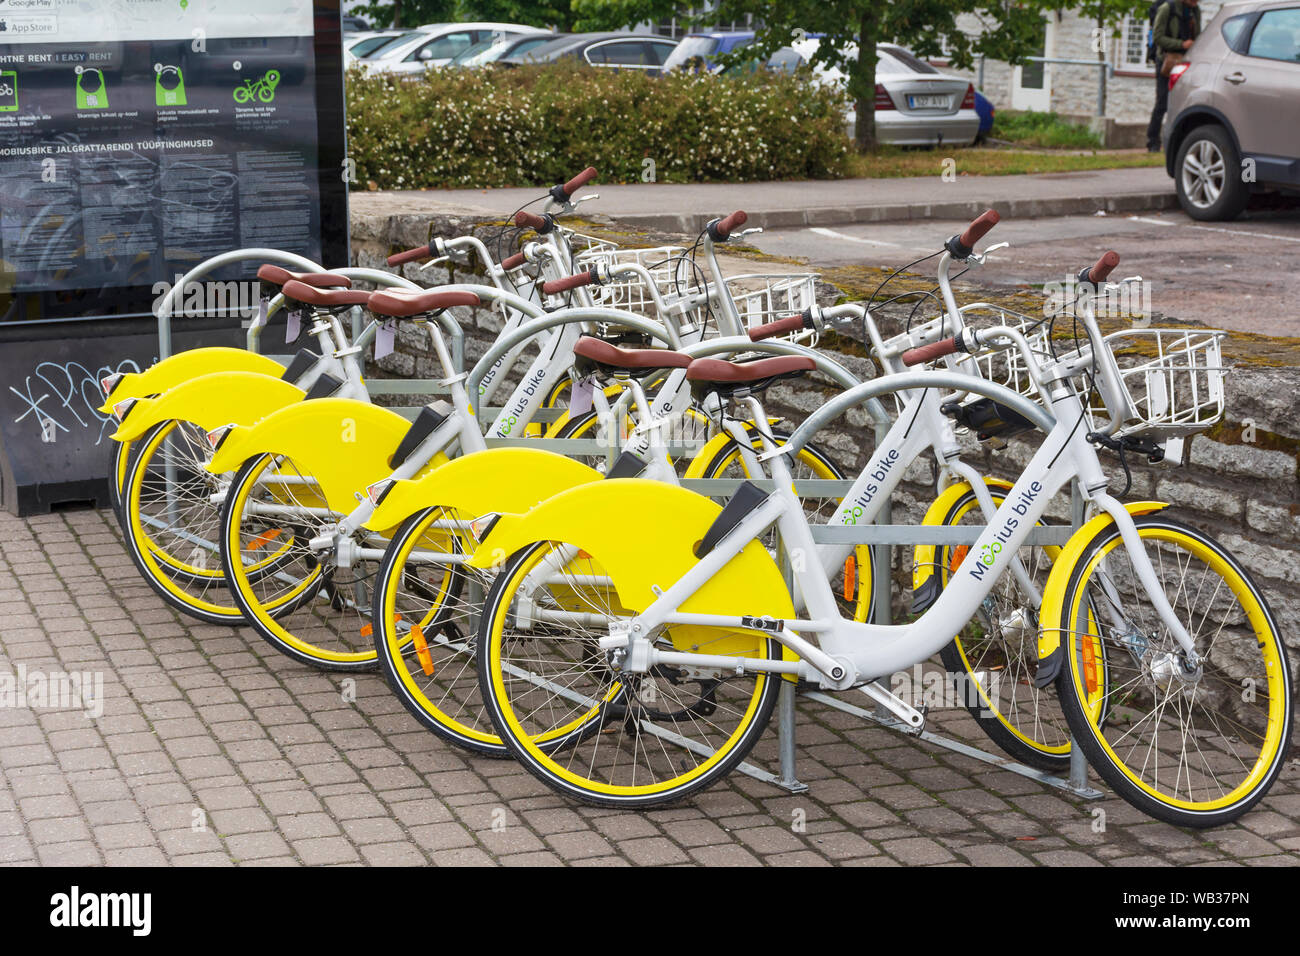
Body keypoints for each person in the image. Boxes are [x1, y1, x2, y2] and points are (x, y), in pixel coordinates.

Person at [1147, 0, 1202, 152]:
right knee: (1163, 102)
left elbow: (1197, 35)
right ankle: (1153, 141)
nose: (1196, 2)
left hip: (1186, 63)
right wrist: (1181, 44)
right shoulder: (1167, 8)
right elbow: (1158, 37)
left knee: (1184, 103)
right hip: (1167, 62)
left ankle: (1176, 143)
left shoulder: (1195, 11)